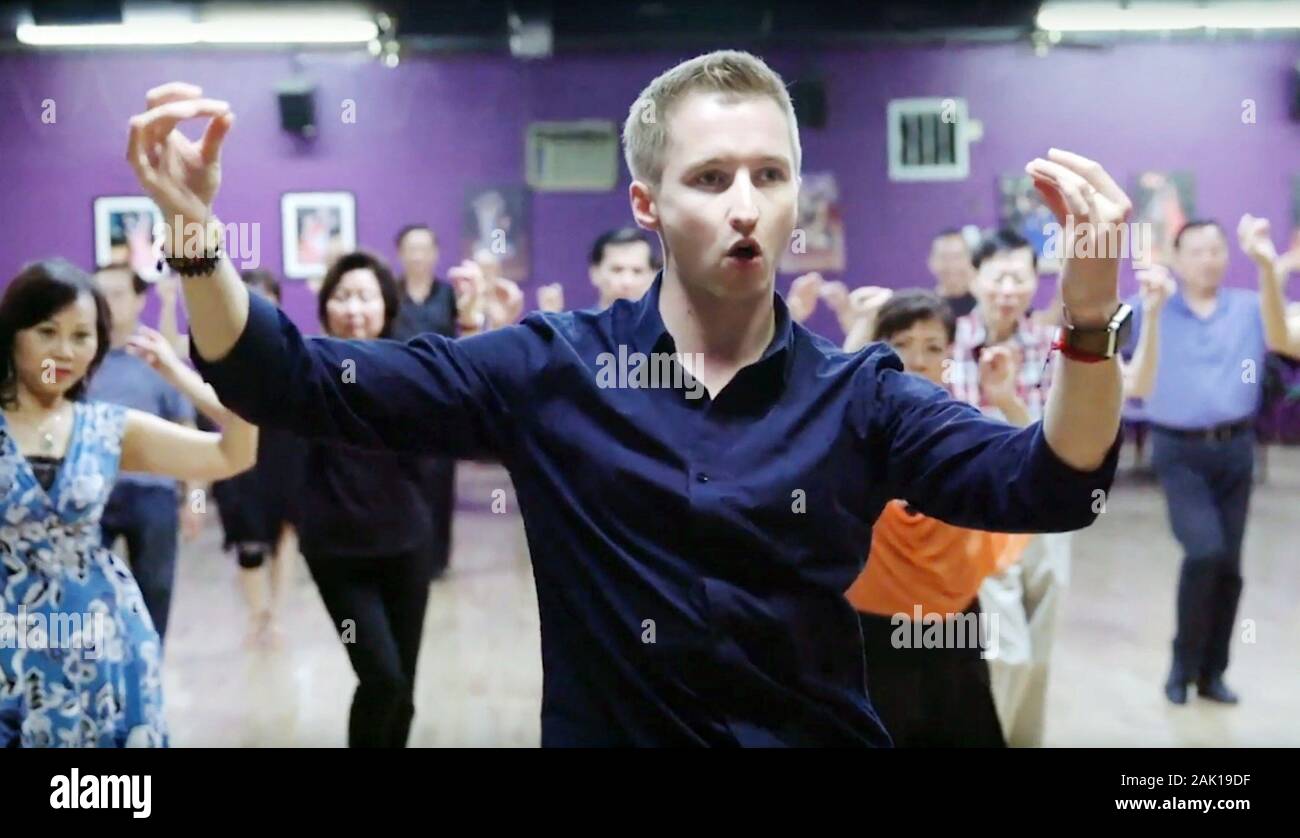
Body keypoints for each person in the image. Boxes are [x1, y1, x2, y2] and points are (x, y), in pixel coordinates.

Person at [128, 52, 1130, 747]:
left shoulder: (860, 396)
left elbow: (1054, 486)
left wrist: (1085, 325)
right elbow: (284, 378)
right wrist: (193, 238)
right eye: (710, 176)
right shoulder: (546, 371)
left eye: (768, 174)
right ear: (647, 203)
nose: (744, 202)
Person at [0, 260, 256, 747]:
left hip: (101, 634)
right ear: (13, 335)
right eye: (46, 331)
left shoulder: (109, 427)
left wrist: (179, 375)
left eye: (82, 335)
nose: (65, 351)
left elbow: (235, 451)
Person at [947, 228, 1169, 745]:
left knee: (1040, 650)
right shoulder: (949, 340)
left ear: (1033, 283)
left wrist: (1153, 315)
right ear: (975, 278)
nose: (1008, 288)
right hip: (974, 514)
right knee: (1006, 651)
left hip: (1043, 512)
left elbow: (1136, 384)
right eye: (997, 275)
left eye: (1019, 277)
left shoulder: (1054, 347)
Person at [843, 289, 1031, 747]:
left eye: (932, 347)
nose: (918, 359)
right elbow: (817, 408)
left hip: (952, 625)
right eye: (901, 344)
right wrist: (859, 340)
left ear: (948, 357)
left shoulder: (963, 428)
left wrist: (1005, 398)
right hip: (873, 631)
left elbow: (1030, 473)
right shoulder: (854, 430)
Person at [1131, 215, 1296, 705]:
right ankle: (1180, 667)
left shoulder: (1247, 307)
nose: (1208, 260)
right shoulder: (1151, 306)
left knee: (1229, 566)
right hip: (1178, 450)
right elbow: (1096, 335)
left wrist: (1268, 266)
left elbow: (1283, 337)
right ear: (1177, 259)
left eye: (1217, 250)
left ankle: (1212, 673)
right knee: (1204, 552)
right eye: (1197, 251)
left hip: (1236, 449)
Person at [294, 251, 436, 747]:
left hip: (407, 546)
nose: (354, 308)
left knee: (406, 688)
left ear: (386, 306)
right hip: (338, 555)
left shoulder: (411, 368)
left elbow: (471, 393)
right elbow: (243, 399)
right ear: (326, 305)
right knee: (382, 678)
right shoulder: (305, 368)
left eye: (366, 297)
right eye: (343, 296)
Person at [86, 264, 202, 644]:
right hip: (90, 491)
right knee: (82, 592)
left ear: (139, 300)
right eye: (98, 294)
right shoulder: (78, 358)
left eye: (117, 294)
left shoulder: (158, 358)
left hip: (153, 493)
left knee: (155, 591)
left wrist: (195, 502)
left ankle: (148, 674)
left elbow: (190, 434)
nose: (107, 303)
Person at [207, 269, 306, 646]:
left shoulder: (292, 345)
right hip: (239, 449)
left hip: (287, 447)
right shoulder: (219, 347)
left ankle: (276, 615)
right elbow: (175, 347)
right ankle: (257, 614)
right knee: (247, 536)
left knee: (286, 528)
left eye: (266, 298)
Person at [388, 224, 459, 580]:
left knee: (439, 483)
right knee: (398, 481)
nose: (418, 256)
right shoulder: (389, 294)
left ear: (435, 253)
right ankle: (403, 554)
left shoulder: (451, 295)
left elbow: (467, 339)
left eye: (424, 248)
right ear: (400, 254)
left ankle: (436, 559)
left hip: (441, 403)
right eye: (410, 249)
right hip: (395, 402)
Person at [928, 228, 978, 317]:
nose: (952, 264)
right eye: (944, 257)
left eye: (957, 257)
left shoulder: (984, 303)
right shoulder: (927, 308)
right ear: (932, 262)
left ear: (971, 260)